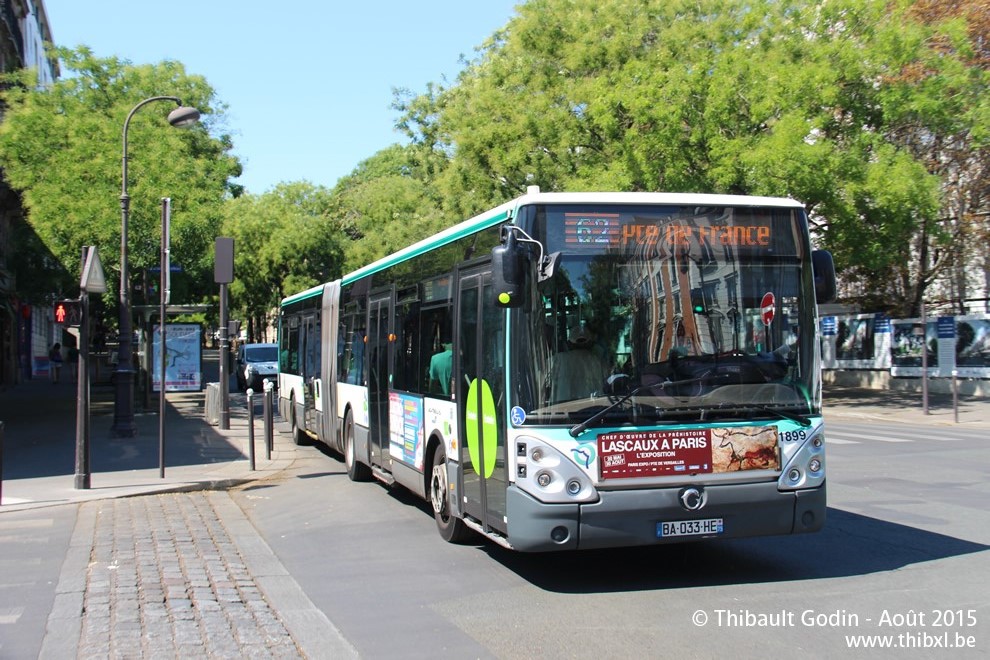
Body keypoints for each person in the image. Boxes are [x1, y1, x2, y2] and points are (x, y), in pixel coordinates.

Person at [550, 324, 609, 402]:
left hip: (561, 411)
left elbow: (543, 380)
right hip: (594, 410)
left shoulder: (558, 359)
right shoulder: (598, 361)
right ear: (590, 343)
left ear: (569, 343)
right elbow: (607, 381)